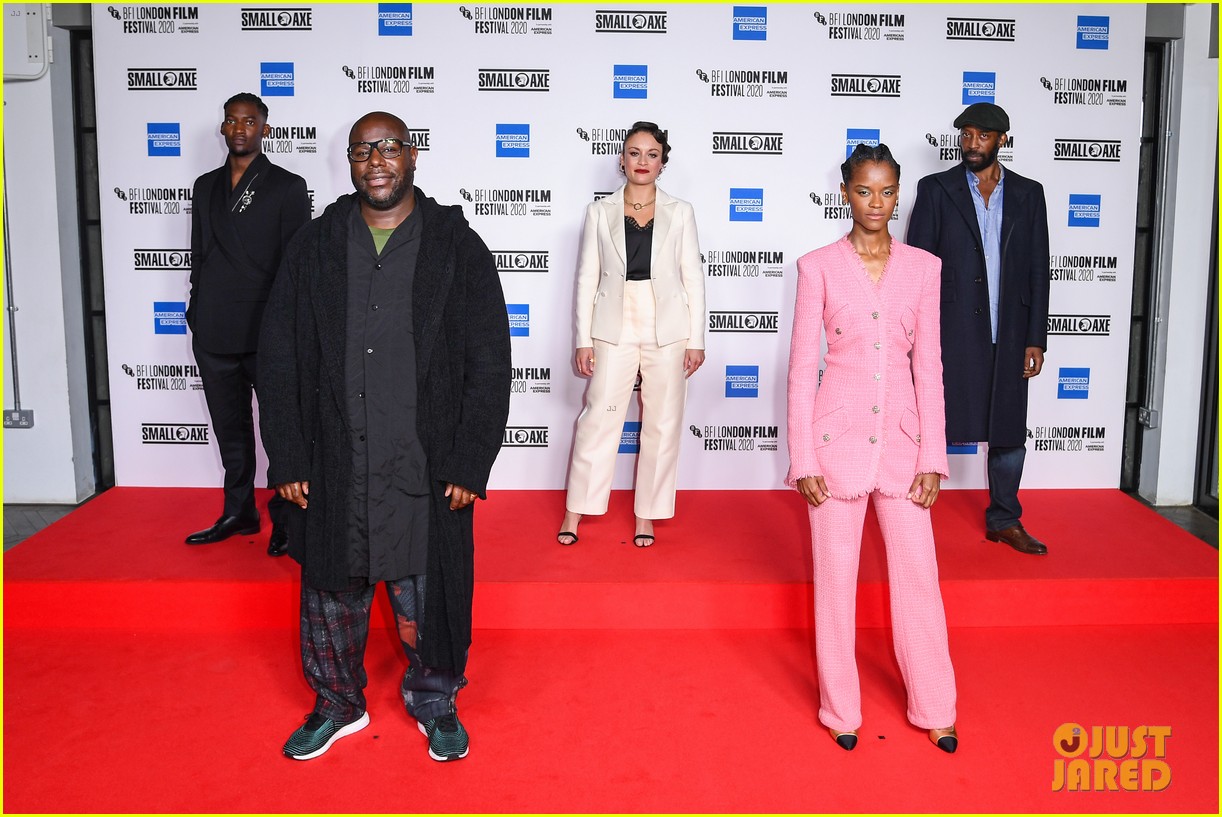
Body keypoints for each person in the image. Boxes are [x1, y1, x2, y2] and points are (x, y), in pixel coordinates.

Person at [256, 111, 511, 762]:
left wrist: (468, 459)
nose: (377, 160)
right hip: (332, 459)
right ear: (348, 160)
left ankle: (436, 700)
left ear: (413, 156)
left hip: (423, 466)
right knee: (330, 601)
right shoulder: (315, 247)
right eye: (364, 149)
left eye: (390, 147)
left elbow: (489, 359)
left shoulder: (457, 246)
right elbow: (278, 354)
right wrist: (285, 453)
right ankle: (337, 703)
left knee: (431, 600)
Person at [787, 144, 958, 753]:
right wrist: (802, 458)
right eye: (865, 191)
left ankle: (936, 706)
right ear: (845, 193)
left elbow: (930, 368)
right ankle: (842, 710)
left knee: (919, 579)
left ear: (899, 193)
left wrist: (933, 458)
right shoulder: (818, 267)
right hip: (835, 447)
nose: (877, 204)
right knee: (835, 582)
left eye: (887, 192)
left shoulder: (924, 268)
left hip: (905, 448)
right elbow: (802, 367)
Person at [907, 102, 1051, 555]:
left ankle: (1005, 519)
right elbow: (918, 267)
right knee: (933, 423)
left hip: (1009, 332)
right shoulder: (935, 189)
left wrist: (1035, 337)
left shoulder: (1029, 194)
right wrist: (915, 336)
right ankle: (908, 518)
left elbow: (1037, 270)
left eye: (982, 137)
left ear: (1002, 141)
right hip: (951, 331)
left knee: (1008, 430)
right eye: (966, 135)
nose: (971, 144)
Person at [556, 121, 705, 548]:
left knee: (663, 422)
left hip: (669, 327)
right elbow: (586, 278)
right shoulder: (598, 211)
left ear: (663, 162)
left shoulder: (682, 212)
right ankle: (575, 508)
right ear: (621, 159)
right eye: (634, 153)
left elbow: (692, 278)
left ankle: (648, 515)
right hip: (613, 323)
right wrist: (583, 338)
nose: (642, 161)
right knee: (598, 416)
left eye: (651, 154)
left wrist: (696, 339)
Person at [184, 92, 311, 557]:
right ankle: (239, 511)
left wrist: (289, 329)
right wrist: (196, 311)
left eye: (250, 121)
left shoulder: (287, 186)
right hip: (214, 327)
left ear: (265, 129)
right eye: (232, 121)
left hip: (267, 329)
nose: (240, 128)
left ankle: (286, 517)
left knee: (281, 429)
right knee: (229, 428)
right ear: (223, 128)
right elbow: (198, 254)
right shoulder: (204, 186)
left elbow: (296, 265)